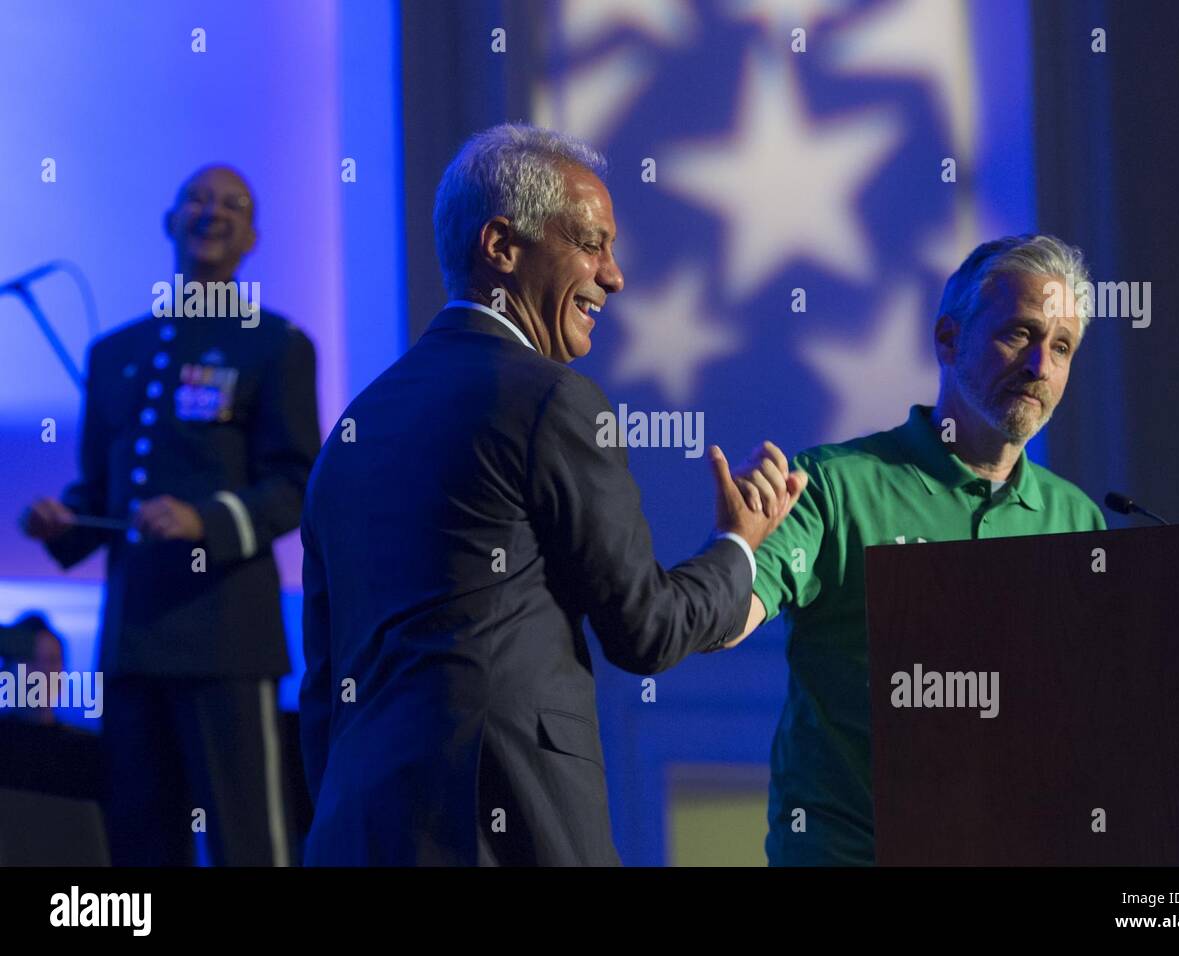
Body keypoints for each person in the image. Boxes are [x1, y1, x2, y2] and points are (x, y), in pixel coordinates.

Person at [299, 123, 804, 866]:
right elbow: (647, 631)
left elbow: (321, 686)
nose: (615, 275)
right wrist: (737, 549)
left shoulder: (356, 425)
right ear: (501, 246)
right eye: (591, 243)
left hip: (358, 829)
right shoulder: (550, 402)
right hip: (504, 826)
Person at [727, 234, 1108, 865]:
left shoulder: (1079, 518)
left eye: (1061, 347)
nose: (1041, 366)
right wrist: (735, 547)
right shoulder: (833, 483)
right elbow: (729, 614)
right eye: (1019, 333)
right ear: (949, 339)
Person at [20, 165, 320, 866]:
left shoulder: (274, 345)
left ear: (251, 236)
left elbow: (297, 484)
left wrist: (205, 520)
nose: (211, 212)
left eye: (232, 204)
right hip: (132, 642)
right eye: (197, 198)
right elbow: (100, 493)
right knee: (139, 848)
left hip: (227, 640)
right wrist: (63, 520)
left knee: (249, 844)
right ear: (170, 219)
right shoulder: (116, 354)